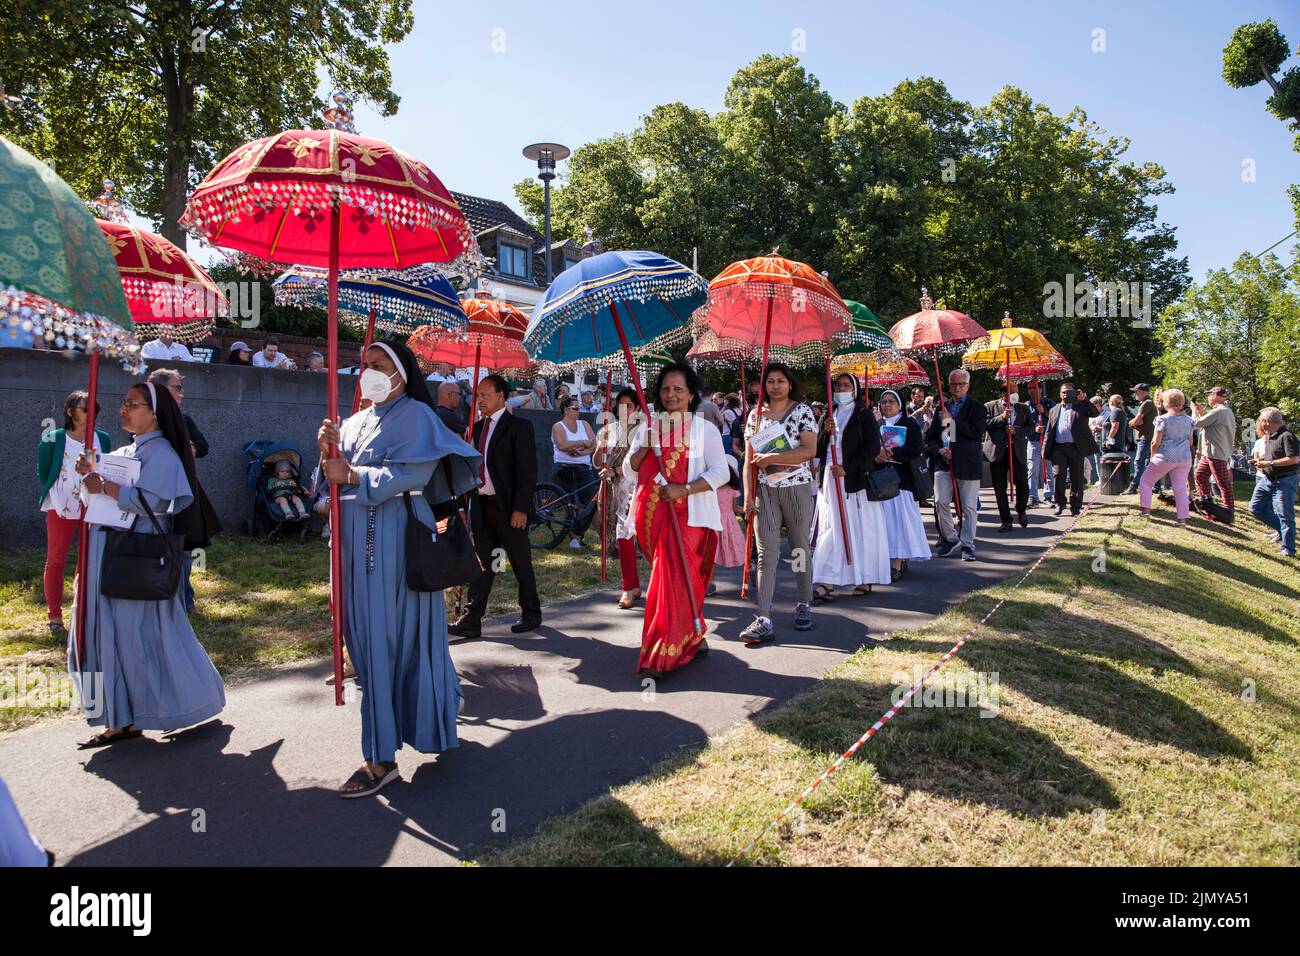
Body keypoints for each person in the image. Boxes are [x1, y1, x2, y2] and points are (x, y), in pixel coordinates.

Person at [316, 341, 480, 797]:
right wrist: (326, 451)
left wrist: (353, 476)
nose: (368, 371)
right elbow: (330, 476)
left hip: (396, 541)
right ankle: (437, 706)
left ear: (401, 372)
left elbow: (413, 474)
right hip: (354, 542)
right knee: (368, 643)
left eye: (379, 364)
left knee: (394, 642)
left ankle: (380, 757)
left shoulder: (417, 416)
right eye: (365, 364)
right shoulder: (352, 421)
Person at [70, 381, 224, 748]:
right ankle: (119, 718)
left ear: (154, 412)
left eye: (133, 404)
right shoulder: (124, 450)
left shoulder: (165, 455)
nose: (123, 409)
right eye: (122, 403)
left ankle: (182, 704)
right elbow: (97, 494)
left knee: (144, 636)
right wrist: (87, 475)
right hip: (110, 549)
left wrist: (104, 485)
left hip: (137, 553)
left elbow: (157, 502)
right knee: (111, 633)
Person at [626, 362, 728, 676]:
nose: (671, 395)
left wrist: (683, 489)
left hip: (689, 515)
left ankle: (662, 654)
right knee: (677, 579)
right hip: (653, 513)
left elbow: (720, 472)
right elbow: (631, 468)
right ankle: (693, 635)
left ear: (691, 394)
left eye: (678, 389)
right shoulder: (648, 426)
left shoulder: (704, 429)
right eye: (666, 389)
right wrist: (646, 443)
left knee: (670, 578)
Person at [450, 375, 543, 639]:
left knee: (519, 561)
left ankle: (531, 611)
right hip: (482, 506)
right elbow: (469, 470)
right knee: (485, 564)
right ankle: (472, 618)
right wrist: (461, 504)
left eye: (485, 395)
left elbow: (527, 471)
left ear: (501, 395)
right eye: (478, 395)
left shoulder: (518, 426)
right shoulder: (477, 428)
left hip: (509, 508)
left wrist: (521, 508)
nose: (479, 400)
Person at [741, 362, 819, 643]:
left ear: (789, 384)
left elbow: (809, 450)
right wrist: (749, 495)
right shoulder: (755, 416)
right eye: (770, 381)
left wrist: (773, 458)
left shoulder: (801, 411)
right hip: (765, 491)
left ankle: (804, 602)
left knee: (799, 549)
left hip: (796, 490)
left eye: (780, 381)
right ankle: (763, 617)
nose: (775, 386)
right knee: (766, 553)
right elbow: (749, 461)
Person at [36, 391, 112, 637]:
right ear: (70, 411)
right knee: (56, 558)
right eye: (85, 408)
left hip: (94, 504)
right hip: (62, 504)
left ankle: (81, 609)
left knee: (88, 559)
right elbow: (44, 470)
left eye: (94, 408)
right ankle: (54, 615)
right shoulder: (53, 439)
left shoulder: (103, 438)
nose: (92, 412)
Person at [811, 374, 890, 601]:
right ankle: (827, 580)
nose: (842, 388)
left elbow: (872, 447)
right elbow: (818, 449)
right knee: (831, 527)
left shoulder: (863, 415)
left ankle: (864, 576)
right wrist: (825, 433)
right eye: (839, 385)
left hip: (854, 480)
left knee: (859, 528)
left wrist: (848, 468)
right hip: (830, 478)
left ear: (855, 390)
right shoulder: (829, 413)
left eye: (847, 385)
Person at [147, 367, 212, 610]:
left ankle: (185, 599)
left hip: (183, 490)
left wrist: (189, 448)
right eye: (178, 387)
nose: (182, 392)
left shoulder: (184, 420)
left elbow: (203, 447)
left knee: (184, 545)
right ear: (164, 390)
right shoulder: (147, 421)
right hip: (153, 492)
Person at [925, 368, 987, 560]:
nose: (957, 387)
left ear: (968, 386)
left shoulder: (977, 408)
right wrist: (940, 450)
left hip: (967, 463)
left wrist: (952, 422)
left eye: (961, 384)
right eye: (953, 384)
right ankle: (951, 537)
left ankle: (968, 544)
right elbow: (931, 437)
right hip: (944, 462)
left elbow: (976, 432)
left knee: (968, 507)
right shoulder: (941, 409)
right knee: (940, 501)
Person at [873, 389, 931, 581]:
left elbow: (915, 449)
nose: (887, 405)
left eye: (891, 401)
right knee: (885, 523)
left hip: (903, 480)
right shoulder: (877, 424)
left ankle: (898, 561)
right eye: (884, 402)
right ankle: (887, 557)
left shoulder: (909, 423)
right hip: (882, 480)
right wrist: (877, 454)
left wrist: (893, 453)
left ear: (899, 405)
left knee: (900, 522)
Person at [595, 388, 642, 608]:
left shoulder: (643, 431)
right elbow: (597, 461)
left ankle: (665, 584)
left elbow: (639, 463)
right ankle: (629, 587)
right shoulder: (610, 430)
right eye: (620, 405)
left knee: (643, 538)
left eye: (629, 406)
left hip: (637, 487)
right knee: (623, 537)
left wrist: (616, 471)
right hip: (614, 491)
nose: (624, 410)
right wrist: (600, 446)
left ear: (638, 408)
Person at [1136, 387, 1194, 525]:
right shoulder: (1189, 420)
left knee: (1146, 481)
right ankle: (1182, 520)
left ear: (1166, 402)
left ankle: (1145, 512)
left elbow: (1155, 442)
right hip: (1184, 458)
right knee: (1179, 488)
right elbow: (1191, 441)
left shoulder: (1162, 419)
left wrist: (1153, 456)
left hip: (1165, 456)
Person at [1043, 382, 1099, 517]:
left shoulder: (1081, 407)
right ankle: (1060, 503)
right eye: (1063, 392)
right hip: (1059, 448)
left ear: (1074, 393)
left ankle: (1075, 507)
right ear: (1060, 394)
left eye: (1069, 391)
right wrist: (1044, 448)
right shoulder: (1054, 409)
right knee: (1059, 475)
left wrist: (1084, 399)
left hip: (1076, 448)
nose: (1065, 394)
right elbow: (1049, 430)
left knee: (1077, 478)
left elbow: (1095, 413)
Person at [1249, 407, 1298, 558]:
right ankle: (1282, 531)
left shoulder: (1287, 436)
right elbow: (1274, 457)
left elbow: (1294, 459)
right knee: (1255, 508)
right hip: (1267, 479)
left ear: (1267, 421)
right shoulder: (1270, 435)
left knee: (1285, 515)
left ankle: (1288, 549)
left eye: (1261, 420)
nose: (1260, 423)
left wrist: (1269, 463)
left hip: (1285, 480)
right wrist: (1260, 462)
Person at [551, 396, 598, 549]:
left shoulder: (584, 424)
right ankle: (573, 539)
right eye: (575, 408)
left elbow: (594, 444)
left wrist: (583, 451)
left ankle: (605, 537)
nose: (579, 411)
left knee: (594, 502)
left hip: (583, 468)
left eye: (579, 408)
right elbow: (562, 444)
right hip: (564, 468)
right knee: (569, 504)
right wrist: (583, 443)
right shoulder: (558, 426)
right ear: (565, 410)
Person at [984, 382, 1031, 531]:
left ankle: (1021, 509)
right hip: (998, 452)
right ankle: (1006, 520)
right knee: (999, 488)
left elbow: (1030, 427)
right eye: (1012, 392)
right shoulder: (990, 406)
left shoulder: (1023, 407)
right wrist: (1001, 418)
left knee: (1023, 485)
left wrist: (1016, 432)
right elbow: (984, 424)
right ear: (1004, 394)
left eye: (1017, 391)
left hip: (1016, 451)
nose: (1016, 394)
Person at [1190, 387, 1238, 520]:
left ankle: (1228, 510)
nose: (1208, 398)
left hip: (1216, 453)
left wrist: (1194, 411)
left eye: (1209, 395)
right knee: (1200, 475)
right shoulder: (1224, 411)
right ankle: (1206, 502)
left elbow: (1196, 423)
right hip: (1212, 452)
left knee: (1222, 482)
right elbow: (1207, 424)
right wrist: (1201, 413)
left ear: (1215, 396)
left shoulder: (1219, 411)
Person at [1023, 380, 1053, 506]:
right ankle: (1033, 496)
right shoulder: (1026, 405)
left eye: (1034, 387)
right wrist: (1034, 429)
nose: (1032, 390)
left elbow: (1056, 419)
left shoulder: (1049, 403)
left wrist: (1045, 411)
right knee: (1032, 469)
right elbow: (1023, 424)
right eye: (1029, 388)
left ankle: (1049, 496)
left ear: (1040, 389)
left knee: (1048, 470)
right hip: (1033, 440)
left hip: (1047, 441)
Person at [714, 456, 747, 570]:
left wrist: (747, 509)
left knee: (727, 549)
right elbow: (735, 508)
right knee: (714, 551)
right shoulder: (713, 489)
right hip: (719, 523)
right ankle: (709, 581)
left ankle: (748, 570)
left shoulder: (731, 490)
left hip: (722, 523)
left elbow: (734, 508)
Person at [1125, 383, 1157, 493]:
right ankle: (1152, 486)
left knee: (1139, 462)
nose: (1134, 394)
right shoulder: (1146, 403)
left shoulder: (1146, 404)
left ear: (1144, 392)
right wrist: (1134, 423)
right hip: (1146, 437)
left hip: (1145, 437)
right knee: (1149, 463)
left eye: (1136, 392)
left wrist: (1131, 423)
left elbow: (1137, 421)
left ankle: (1133, 487)